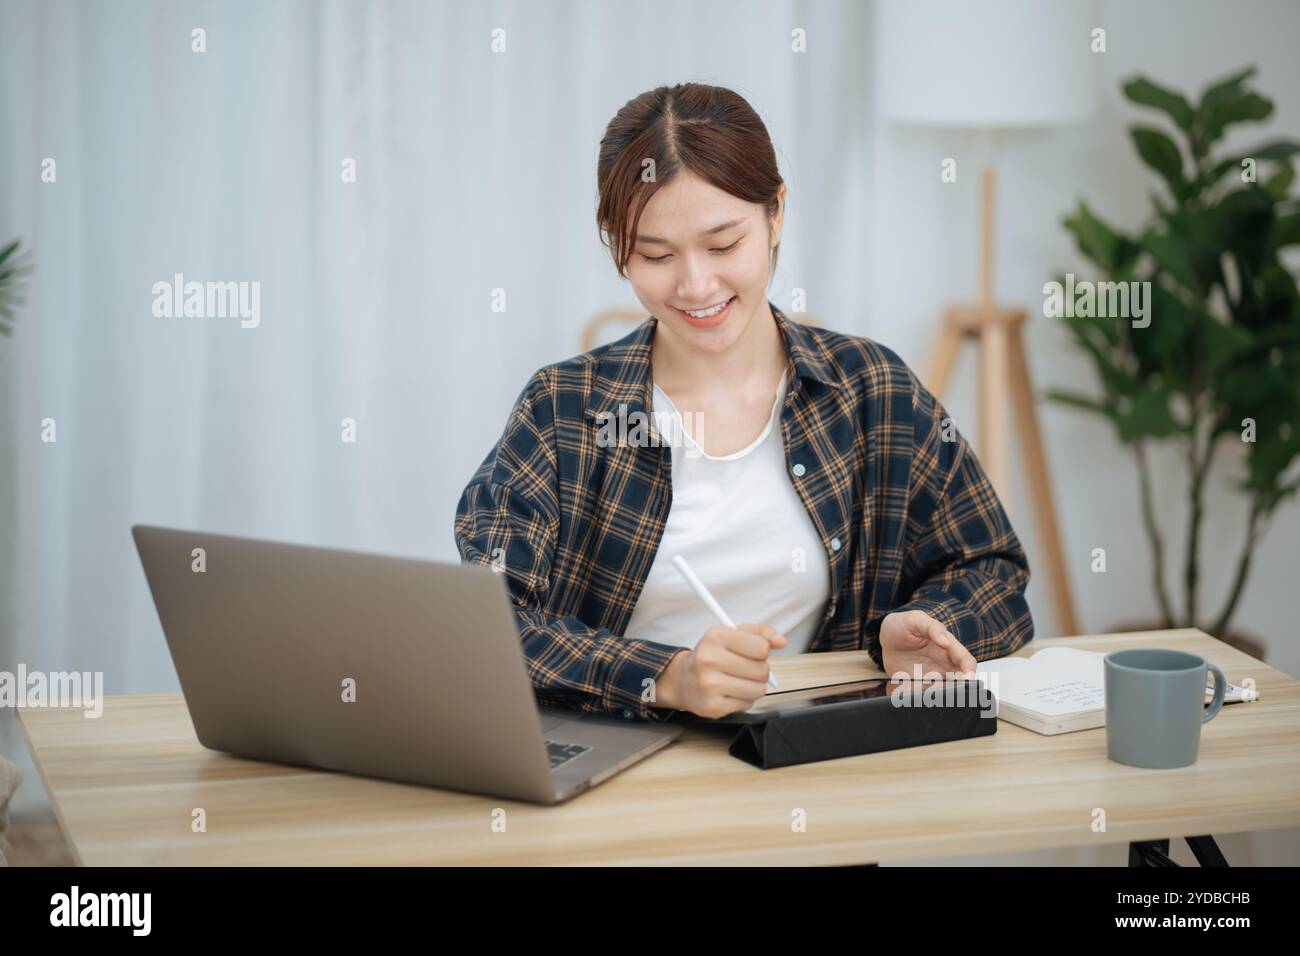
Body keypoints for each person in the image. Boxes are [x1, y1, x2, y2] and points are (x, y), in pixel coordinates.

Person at [455, 82, 1033, 722]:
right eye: (655, 254)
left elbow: (993, 570)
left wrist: (915, 628)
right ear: (615, 242)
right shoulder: (562, 411)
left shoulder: (872, 391)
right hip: (620, 766)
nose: (695, 285)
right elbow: (491, 622)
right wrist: (665, 678)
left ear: (775, 213)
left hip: (815, 764)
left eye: (724, 244)